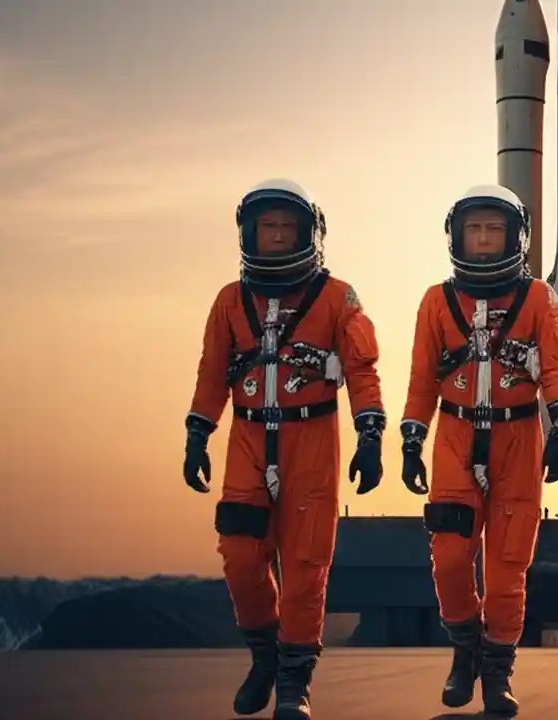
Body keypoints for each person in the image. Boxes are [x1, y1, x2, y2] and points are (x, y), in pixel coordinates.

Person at [182, 178, 385, 720]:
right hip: (248, 439)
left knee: (305, 566)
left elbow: (362, 369)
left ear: (309, 234)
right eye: (267, 227)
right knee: (239, 554)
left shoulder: (337, 298)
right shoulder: (230, 301)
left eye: (286, 228)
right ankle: (264, 655)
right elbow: (211, 373)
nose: (275, 237)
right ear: (249, 233)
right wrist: (198, 434)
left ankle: (294, 682)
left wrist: (370, 436)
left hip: (312, 441)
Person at [399, 184, 558, 718]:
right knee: (450, 558)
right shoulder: (437, 301)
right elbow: (421, 378)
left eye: (494, 230)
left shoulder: (538, 300)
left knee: (506, 570)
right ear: (456, 236)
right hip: (454, 437)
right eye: (474, 229)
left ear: (515, 238)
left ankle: (497, 671)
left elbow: (557, 367)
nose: (482, 239)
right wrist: (411, 440)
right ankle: (464, 648)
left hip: (518, 440)